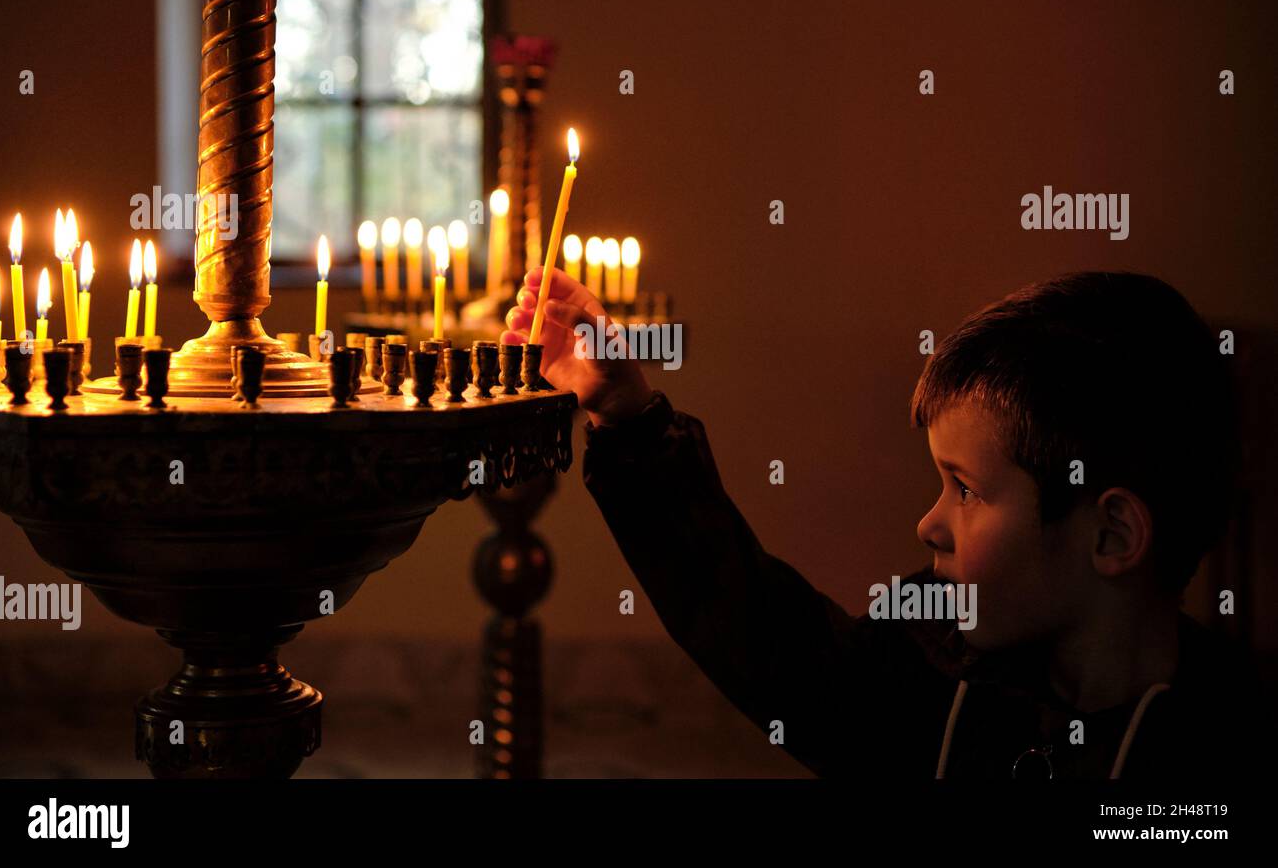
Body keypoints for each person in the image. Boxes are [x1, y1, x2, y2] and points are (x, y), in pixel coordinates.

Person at [502, 267, 1271, 778]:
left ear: (1111, 537)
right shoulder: (935, 663)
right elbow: (760, 634)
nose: (928, 524)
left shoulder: (1222, 747)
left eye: (965, 490)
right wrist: (630, 419)